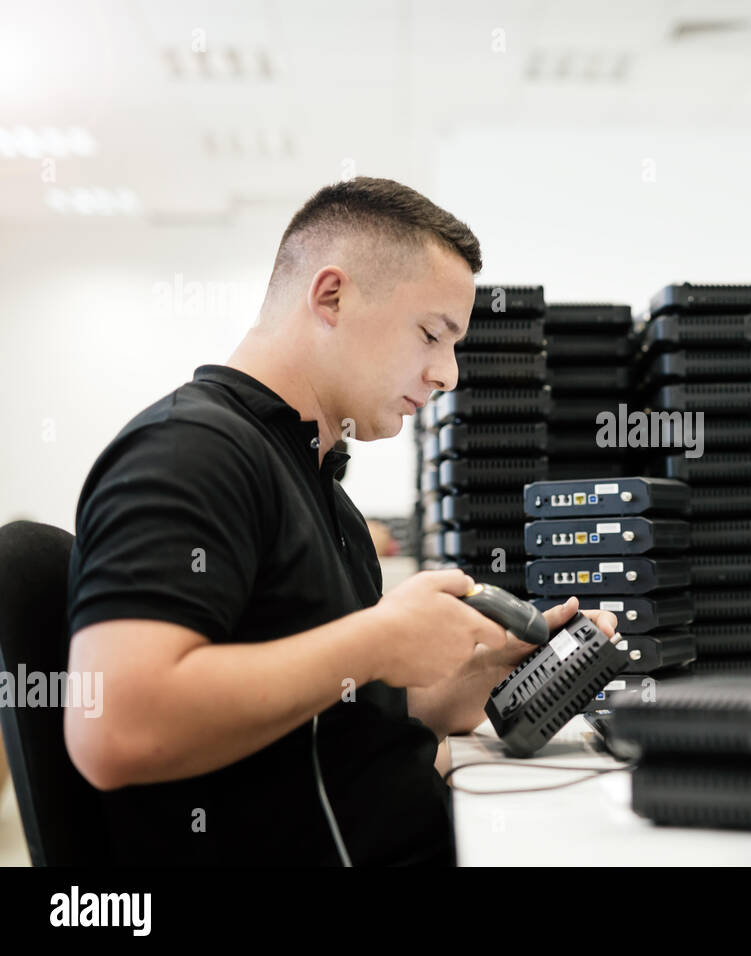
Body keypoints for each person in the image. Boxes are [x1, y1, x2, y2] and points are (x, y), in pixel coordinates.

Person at [63, 177, 617, 866]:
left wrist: (476, 677)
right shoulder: (191, 453)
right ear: (331, 296)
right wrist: (379, 639)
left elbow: (333, 717)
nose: (446, 374)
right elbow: (114, 728)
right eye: (431, 335)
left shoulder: (321, 486)